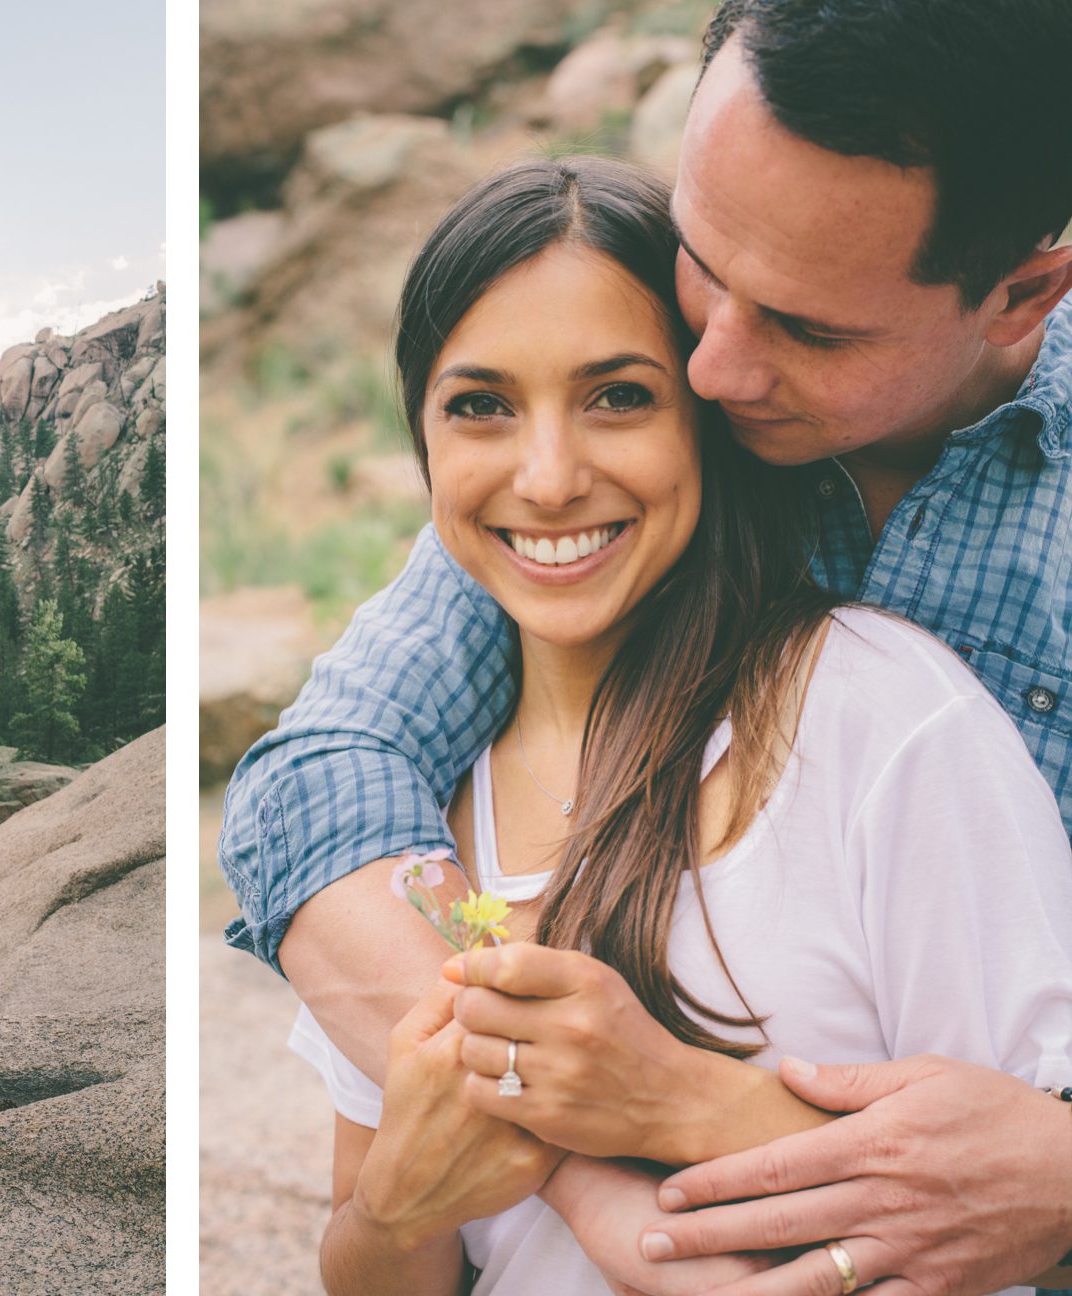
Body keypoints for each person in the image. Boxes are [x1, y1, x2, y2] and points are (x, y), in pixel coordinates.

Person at [220, 2, 1072, 1290]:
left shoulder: (896, 717)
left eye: (807, 328)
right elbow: (316, 784)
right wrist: (575, 1143)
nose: (718, 367)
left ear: (1020, 296)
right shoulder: (636, 481)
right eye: (702, 264)